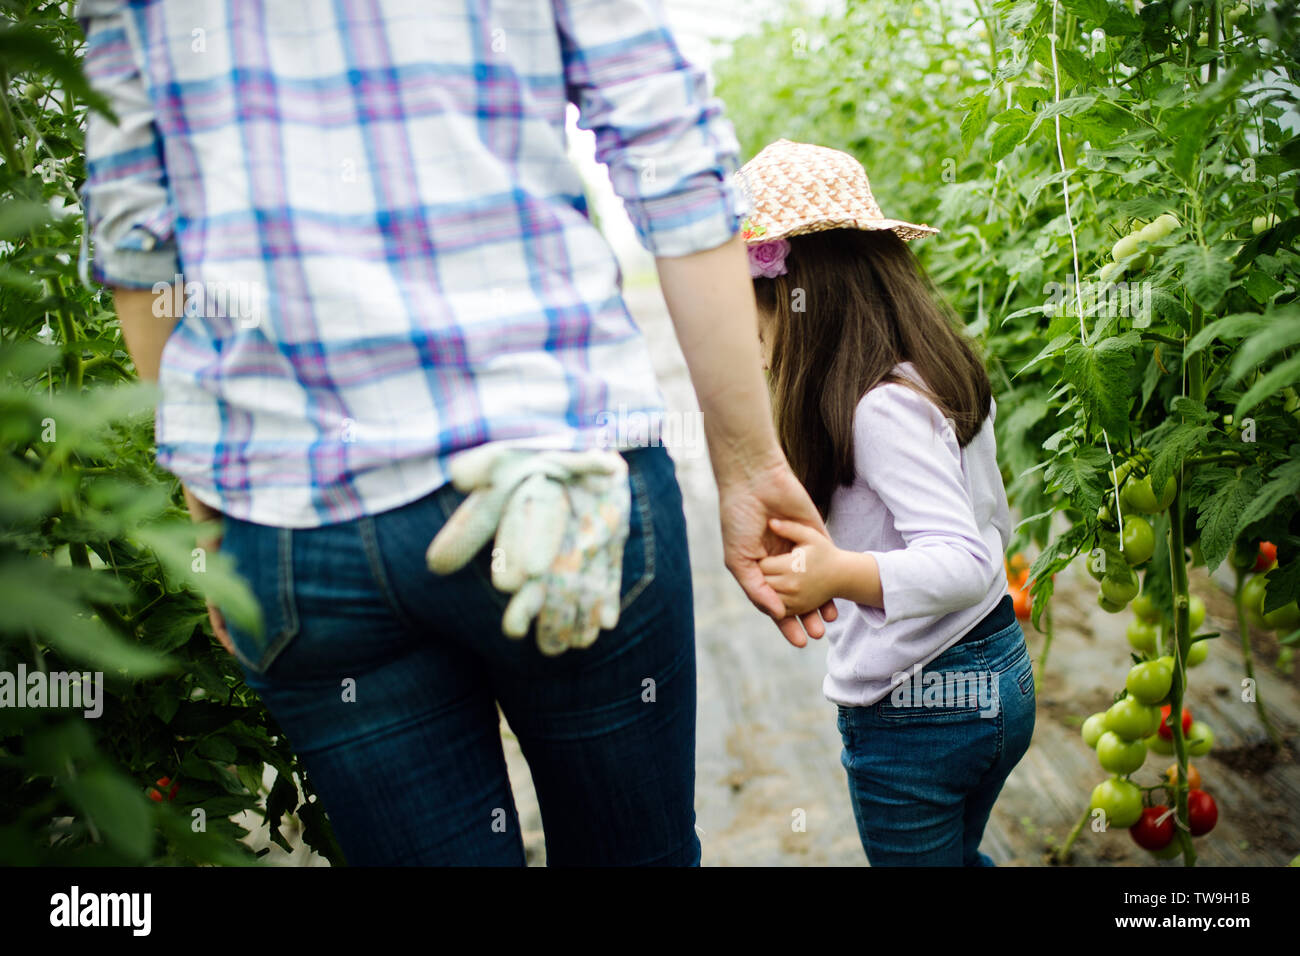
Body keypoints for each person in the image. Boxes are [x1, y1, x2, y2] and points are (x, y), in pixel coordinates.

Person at [77, 2, 832, 866]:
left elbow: (134, 234)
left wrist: (211, 520)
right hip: (563, 473)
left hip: (297, 523)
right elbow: (670, 149)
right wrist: (745, 461)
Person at [743, 140, 1036, 866]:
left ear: (796, 293)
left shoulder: (879, 406)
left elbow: (963, 558)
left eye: (757, 319)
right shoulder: (936, 370)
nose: (755, 346)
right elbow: (990, 520)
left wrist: (838, 574)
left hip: (918, 712)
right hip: (997, 670)